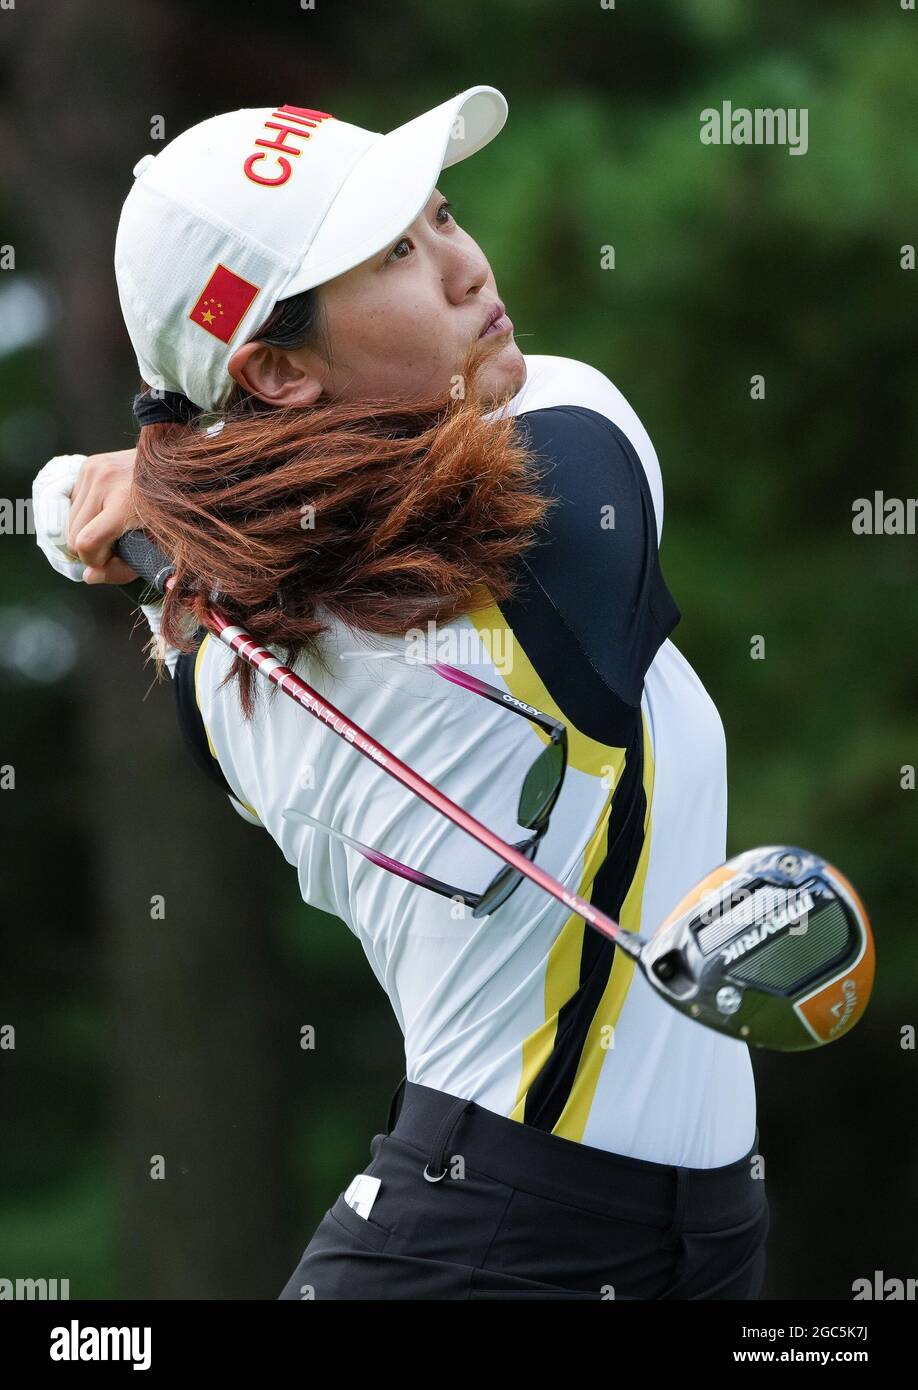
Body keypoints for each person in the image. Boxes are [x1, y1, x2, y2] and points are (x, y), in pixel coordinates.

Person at [32, 86, 769, 1300]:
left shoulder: (215, 669)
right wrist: (146, 485)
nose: (468, 268)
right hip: (500, 1252)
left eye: (441, 217)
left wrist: (148, 483)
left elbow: (254, 513)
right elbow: (523, 425)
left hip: (586, 1230)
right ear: (273, 371)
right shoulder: (567, 511)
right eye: (394, 255)